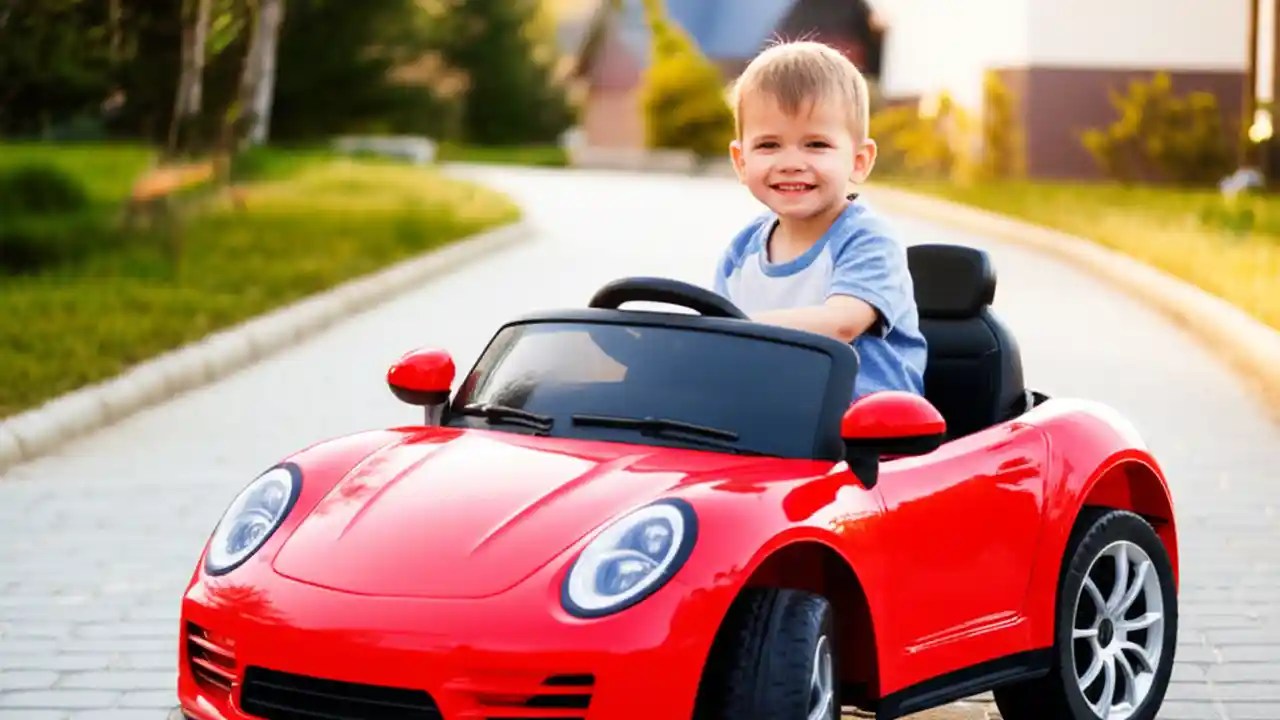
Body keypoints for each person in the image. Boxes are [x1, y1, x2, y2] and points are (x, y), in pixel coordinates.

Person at [712, 40, 927, 400]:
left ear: (859, 161)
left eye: (816, 145)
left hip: (864, 432)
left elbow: (842, 322)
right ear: (741, 161)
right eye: (768, 145)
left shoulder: (867, 239)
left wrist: (732, 328)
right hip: (769, 417)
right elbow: (713, 343)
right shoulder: (741, 253)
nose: (791, 162)